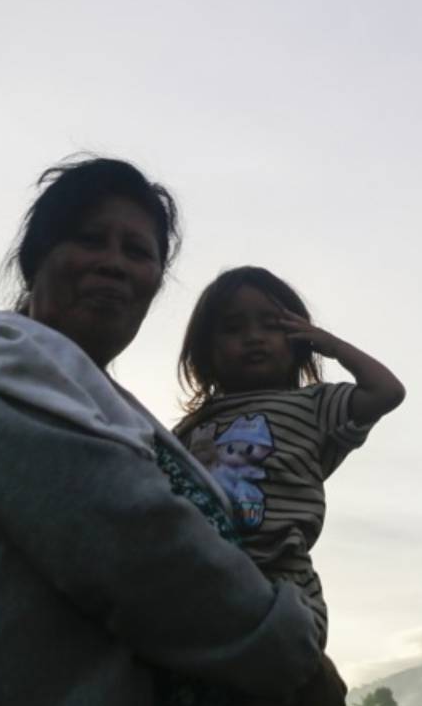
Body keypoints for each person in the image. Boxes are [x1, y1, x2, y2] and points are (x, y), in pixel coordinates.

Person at [0, 158, 343, 706]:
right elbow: (132, 543)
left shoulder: (132, 422)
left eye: (137, 252)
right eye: (91, 240)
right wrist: (296, 661)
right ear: (36, 258)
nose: (114, 264)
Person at [174, 266, 407, 649]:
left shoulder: (314, 405)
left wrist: (329, 344)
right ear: (205, 350)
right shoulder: (188, 428)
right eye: (233, 328)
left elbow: (386, 391)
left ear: (299, 340)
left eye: (272, 325)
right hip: (202, 580)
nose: (254, 338)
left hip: (281, 583)